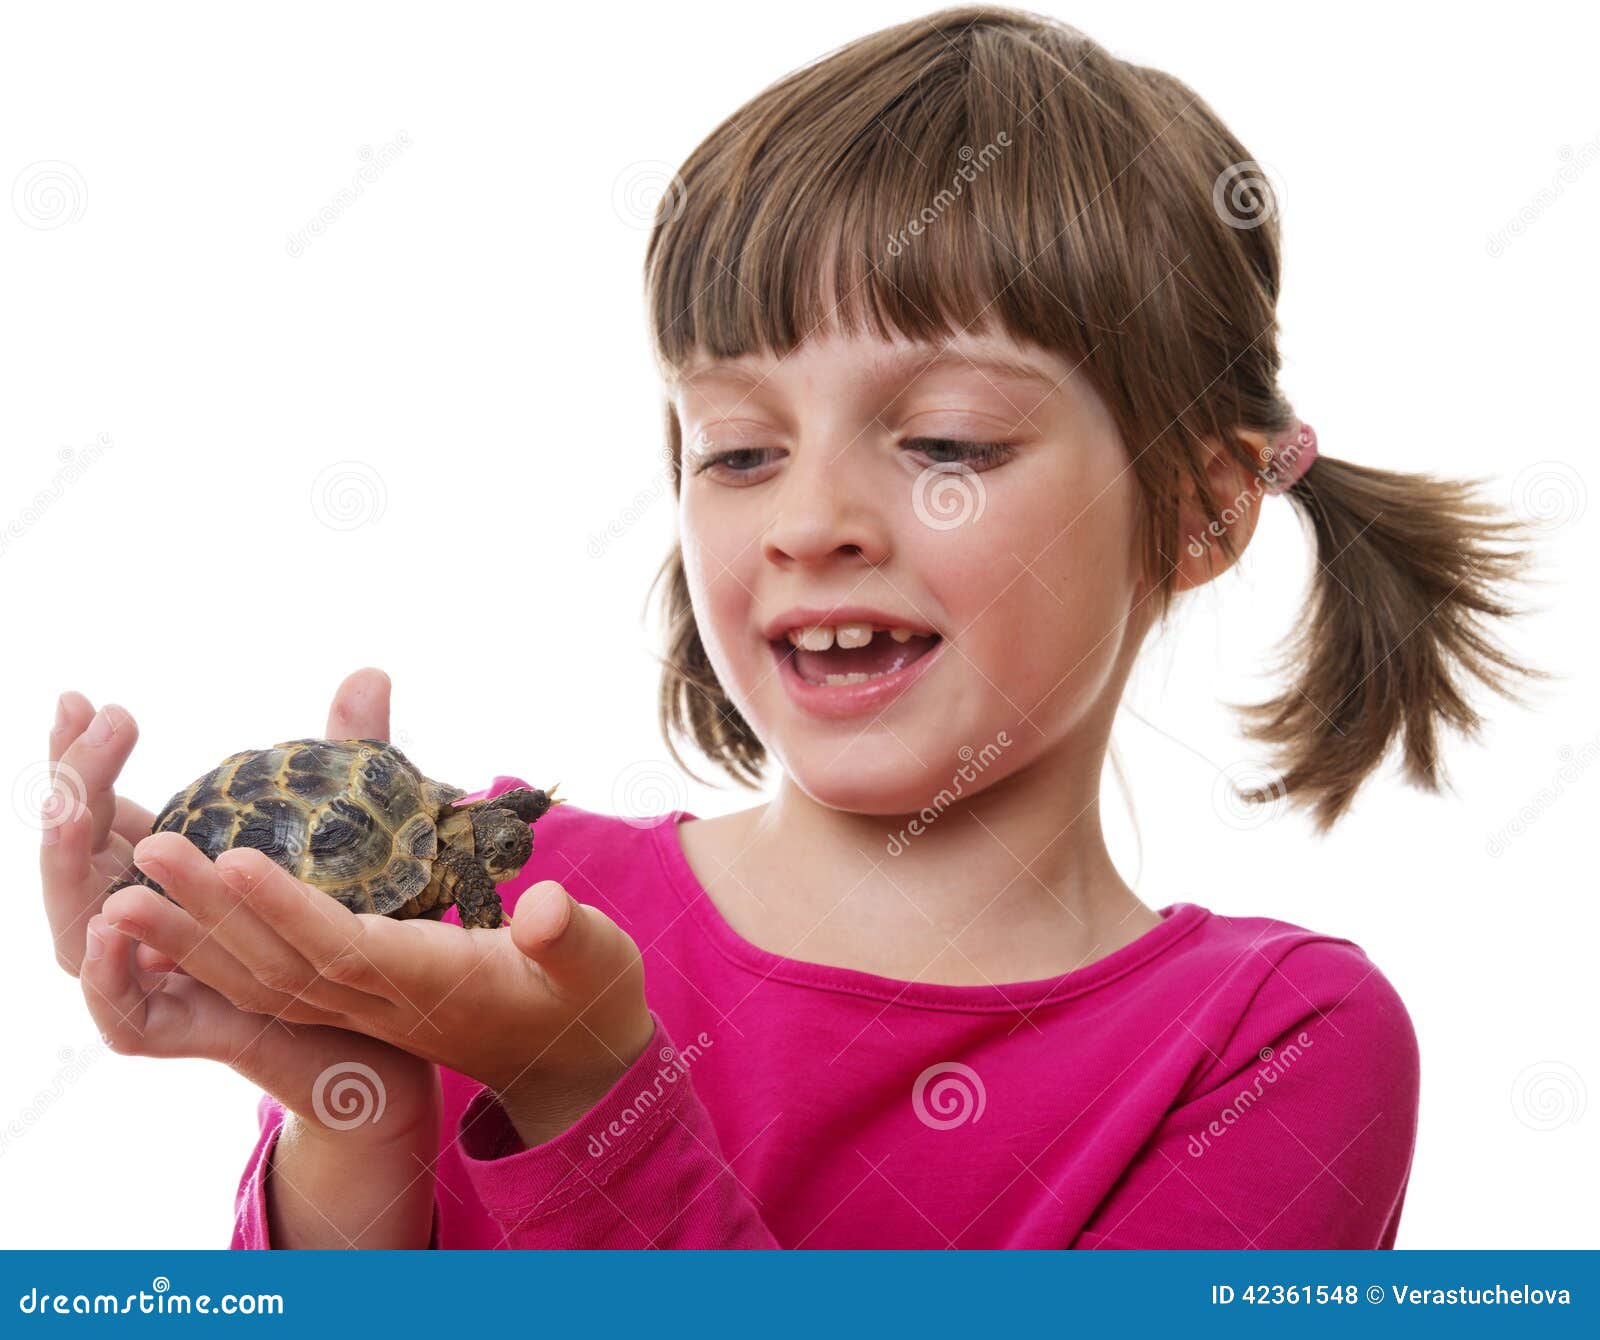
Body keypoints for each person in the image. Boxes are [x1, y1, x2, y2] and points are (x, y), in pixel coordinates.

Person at [44, 5, 1543, 1248]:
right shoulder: (498, 903)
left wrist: (587, 1097)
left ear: (1202, 511)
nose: (807, 519)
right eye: (741, 450)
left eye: (947, 443)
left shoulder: (1272, 1047)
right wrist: (354, 1103)